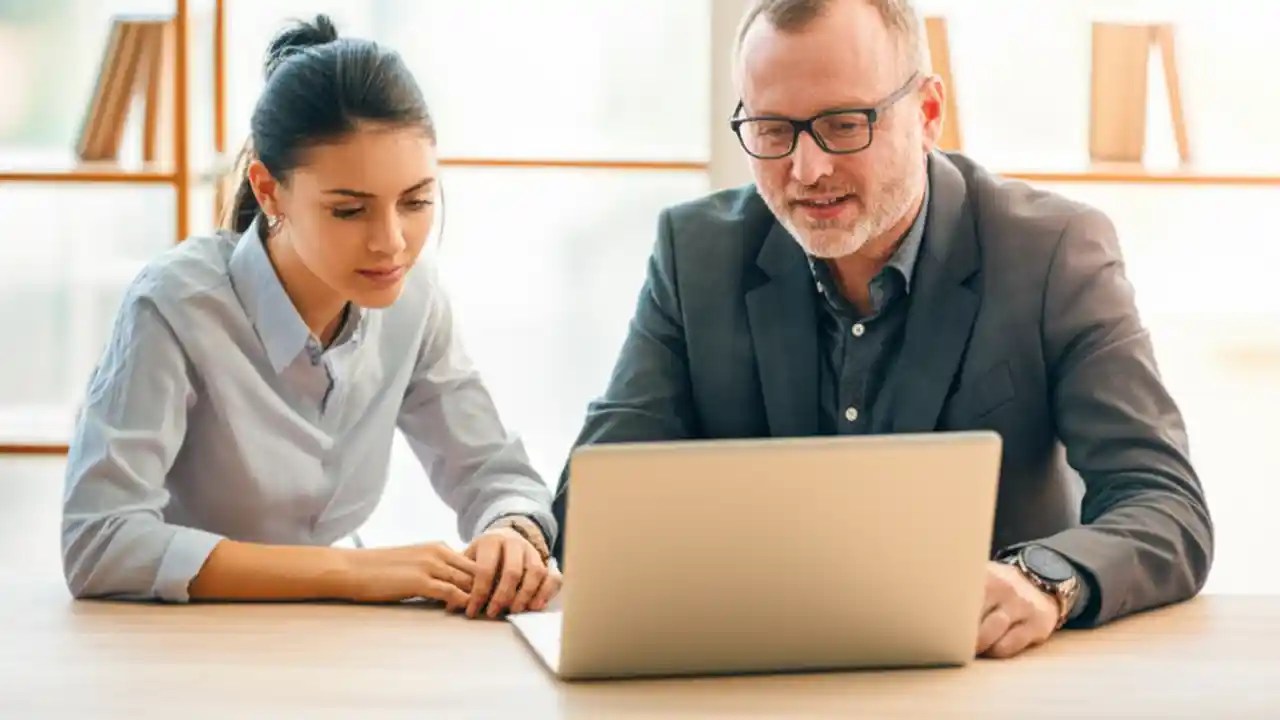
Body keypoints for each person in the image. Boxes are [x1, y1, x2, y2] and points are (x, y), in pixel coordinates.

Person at [551, 0, 1212, 658]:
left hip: (984, 672)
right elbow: (593, 506)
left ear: (927, 112)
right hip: (749, 667)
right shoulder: (695, 253)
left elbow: (1165, 505)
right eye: (773, 130)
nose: (807, 171)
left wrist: (1043, 580)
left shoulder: (1052, 252)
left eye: (843, 125)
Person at [61, 15, 559, 620]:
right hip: (172, 635)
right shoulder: (175, 305)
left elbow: (493, 472)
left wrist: (512, 532)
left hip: (326, 632)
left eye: (417, 201)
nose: (392, 242)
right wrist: (353, 572)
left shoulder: (415, 298)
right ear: (268, 190)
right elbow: (100, 541)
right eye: (349, 211)